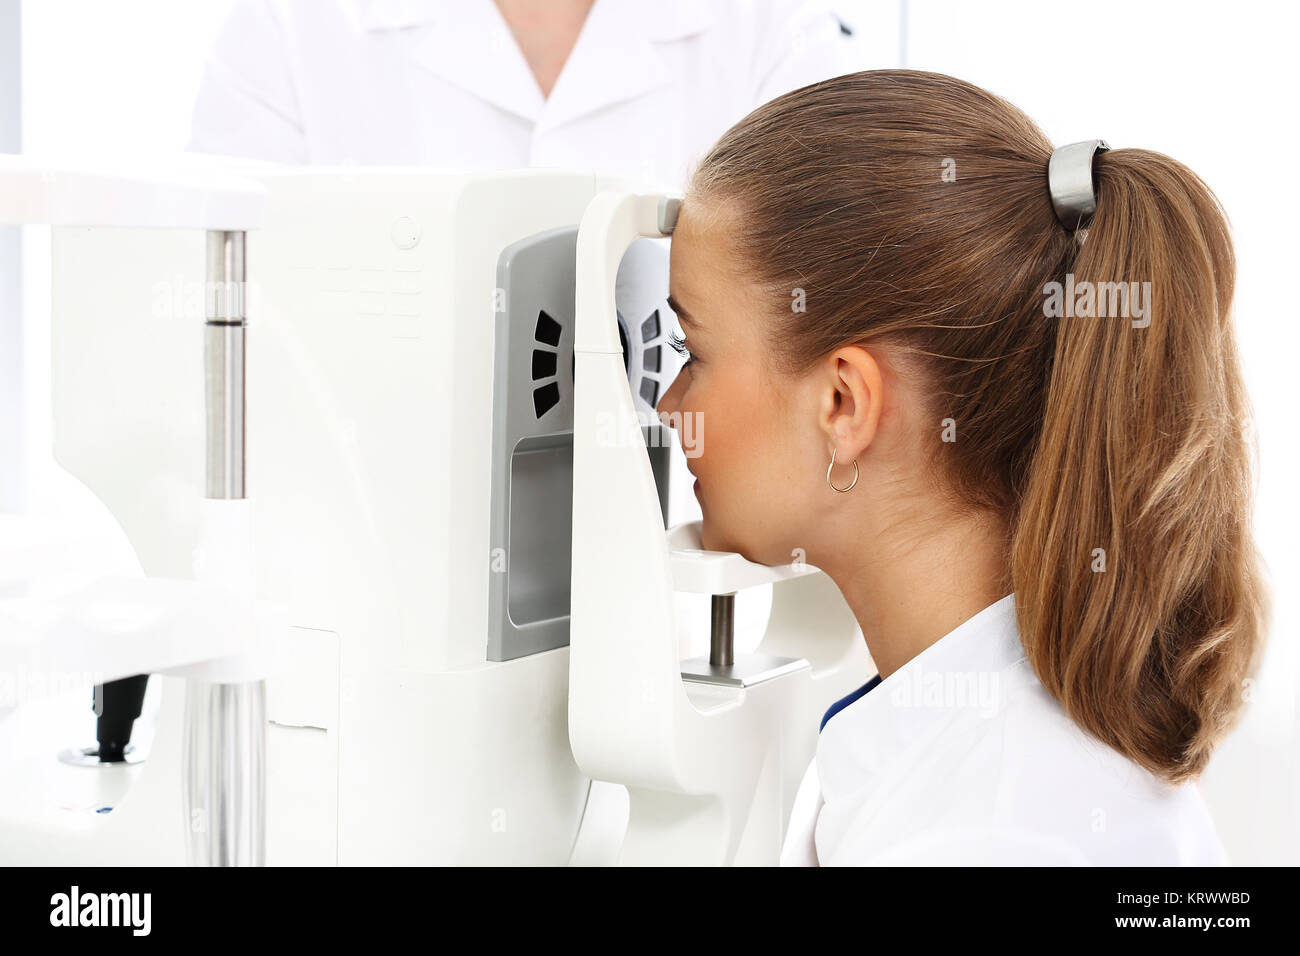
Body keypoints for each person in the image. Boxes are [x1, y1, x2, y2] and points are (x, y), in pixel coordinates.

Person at [656, 69, 1267, 865]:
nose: (670, 408)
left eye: (691, 351)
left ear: (844, 404)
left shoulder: (993, 831)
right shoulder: (977, 748)